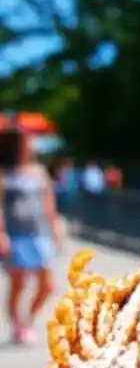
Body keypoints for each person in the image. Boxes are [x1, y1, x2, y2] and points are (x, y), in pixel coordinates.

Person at [0, 128, 64, 346]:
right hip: (15, 234)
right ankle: (17, 325)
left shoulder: (38, 172)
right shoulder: (4, 173)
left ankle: (29, 319)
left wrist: (55, 228)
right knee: (19, 283)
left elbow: (49, 204)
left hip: (39, 234)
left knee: (47, 285)